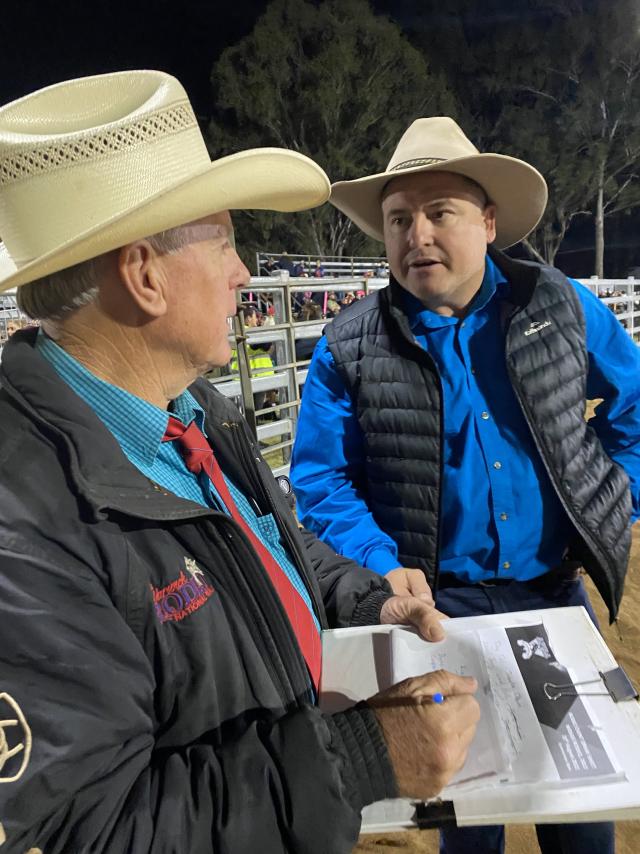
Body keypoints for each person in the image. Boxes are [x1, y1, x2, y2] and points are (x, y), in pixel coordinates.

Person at [0, 74, 480, 854]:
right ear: (144, 275)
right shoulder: (25, 526)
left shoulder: (189, 412)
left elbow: (255, 543)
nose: (243, 272)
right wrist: (356, 761)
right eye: (222, 238)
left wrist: (363, 600)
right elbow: (83, 831)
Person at [290, 117, 640, 854]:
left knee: (580, 805)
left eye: (439, 212)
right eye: (397, 219)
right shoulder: (349, 343)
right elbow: (321, 478)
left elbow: (635, 405)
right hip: (435, 611)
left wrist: (611, 493)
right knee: (466, 807)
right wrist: (381, 560)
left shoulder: (562, 306)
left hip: (552, 595)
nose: (416, 234)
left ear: (486, 223)